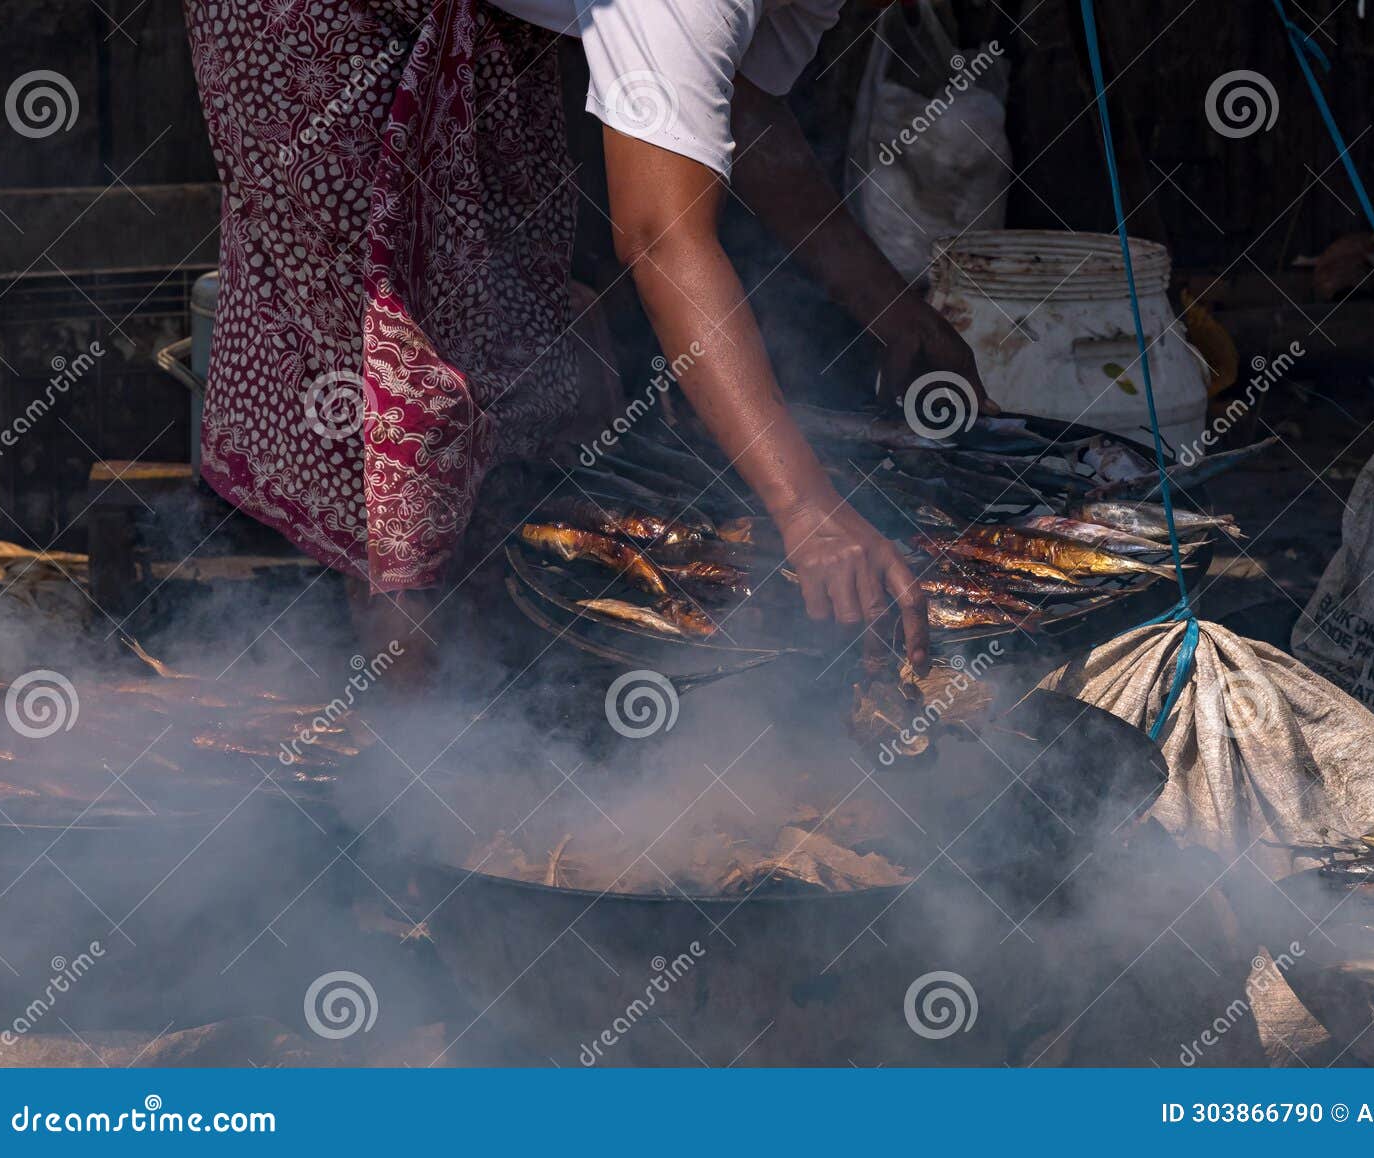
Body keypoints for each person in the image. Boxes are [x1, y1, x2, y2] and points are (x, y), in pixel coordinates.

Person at [184, 0, 988, 671]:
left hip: (464, 20)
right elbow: (660, 238)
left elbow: (738, 110)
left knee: (519, 366)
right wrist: (807, 507)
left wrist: (895, 311)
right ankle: (424, 802)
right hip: (308, 27)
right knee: (405, 419)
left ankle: (503, 687)